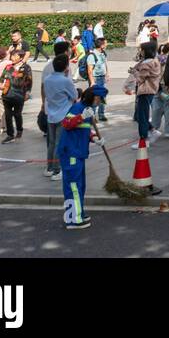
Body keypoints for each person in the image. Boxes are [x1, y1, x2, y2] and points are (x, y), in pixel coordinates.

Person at [58, 85, 104, 230]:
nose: (100, 102)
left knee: (80, 186)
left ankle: (79, 212)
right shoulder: (77, 108)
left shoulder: (86, 110)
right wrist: (82, 116)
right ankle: (73, 220)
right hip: (71, 152)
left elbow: (83, 130)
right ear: (93, 97)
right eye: (99, 99)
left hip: (78, 152)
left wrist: (94, 138)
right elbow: (66, 124)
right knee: (73, 187)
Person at [42, 49, 77, 180]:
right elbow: (74, 96)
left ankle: (49, 167)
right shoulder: (65, 81)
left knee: (51, 143)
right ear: (66, 67)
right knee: (59, 143)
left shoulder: (47, 79)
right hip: (63, 115)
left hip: (51, 114)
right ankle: (57, 170)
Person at [127, 41, 161, 142]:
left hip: (145, 91)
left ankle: (144, 139)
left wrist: (134, 72)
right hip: (150, 90)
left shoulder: (147, 64)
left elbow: (140, 79)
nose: (140, 52)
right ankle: (152, 130)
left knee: (141, 116)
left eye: (141, 50)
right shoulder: (153, 61)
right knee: (140, 115)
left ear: (146, 51)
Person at [0, 51, 33, 143]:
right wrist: (0, 84)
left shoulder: (26, 67)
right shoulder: (8, 67)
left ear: (20, 58)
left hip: (19, 95)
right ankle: (10, 135)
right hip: (7, 95)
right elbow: (1, 78)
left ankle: (19, 129)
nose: (12, 57)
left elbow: (29, 81)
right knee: (8, 115)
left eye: (14, 55)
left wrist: (28, 92)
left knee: (17, 114)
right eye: (12, 55)